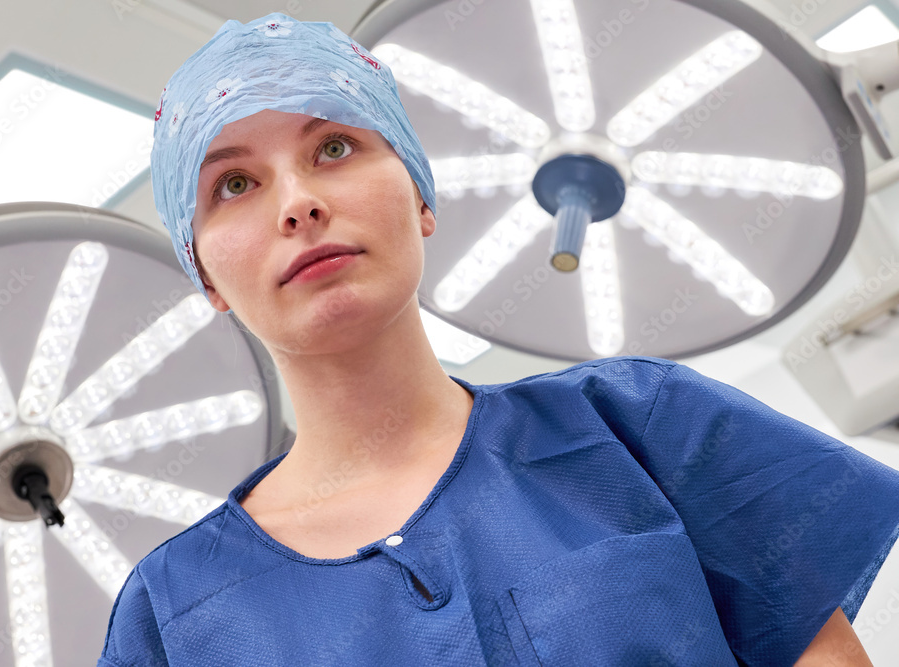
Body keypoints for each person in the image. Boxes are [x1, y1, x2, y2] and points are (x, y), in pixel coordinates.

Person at [97, 12, 899, 666]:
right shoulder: (172, 615)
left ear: (420, 197)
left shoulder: (637, 425)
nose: (298, 204)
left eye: (334, 147)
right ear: (204, 273)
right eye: (234, 183)